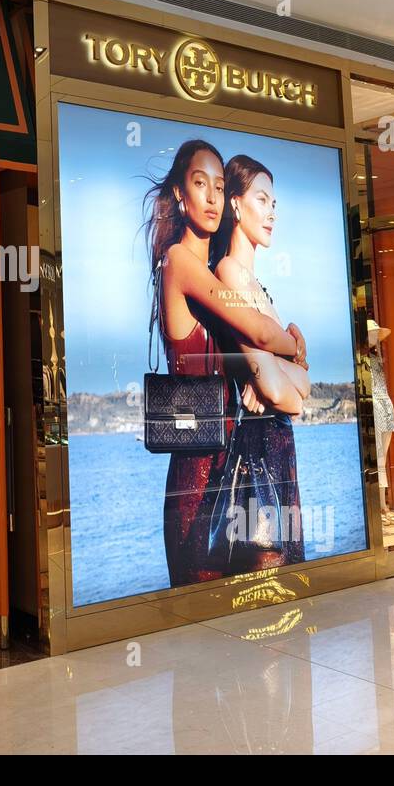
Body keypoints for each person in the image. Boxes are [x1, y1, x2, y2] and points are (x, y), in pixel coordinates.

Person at [143, 140, 306, 587]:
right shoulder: (179, 262)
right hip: (199, 477)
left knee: (259, 619)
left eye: (219, 186)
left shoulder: (212, 270)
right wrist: (292, 341)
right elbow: (255, 331)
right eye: (201, 185)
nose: (213, 198)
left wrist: (261, 367)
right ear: (180, 193)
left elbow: (253, 350)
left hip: (235, 461)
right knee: (209, 625)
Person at [208, 154, 308, 570]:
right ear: (235, 204)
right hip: (257, 449)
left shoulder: (261, 289)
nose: (272, 214)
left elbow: (300, 383)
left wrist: (279, 368)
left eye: (274, 205)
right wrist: (287, 357)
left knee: (285, 573)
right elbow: (286, 392)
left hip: (277, 445)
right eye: (262, 200)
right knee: (265, 575)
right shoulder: (229, 272)